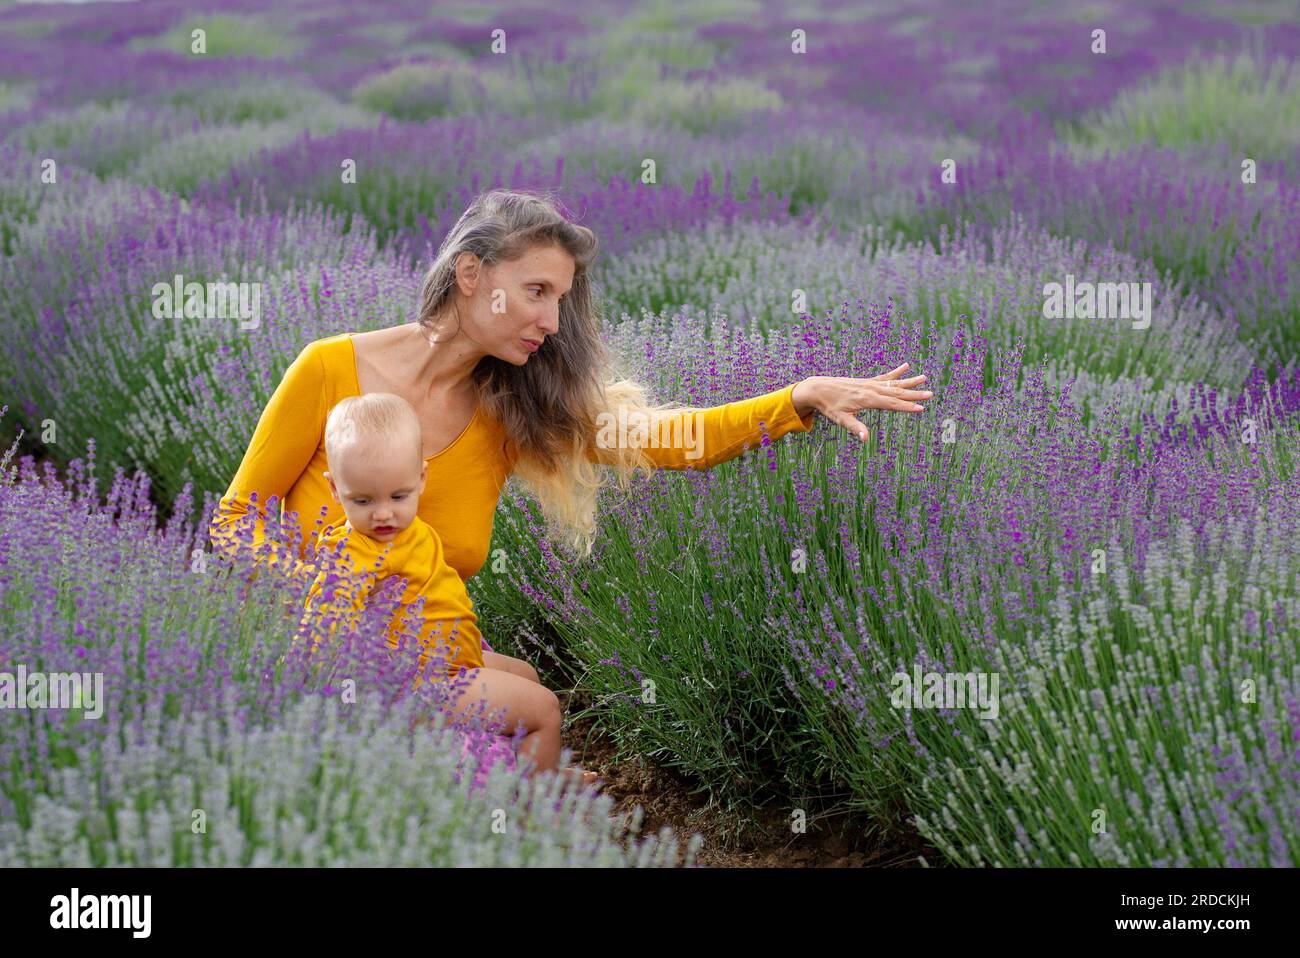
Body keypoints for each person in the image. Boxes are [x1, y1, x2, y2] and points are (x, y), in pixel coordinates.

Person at [209, 187, 931, 780]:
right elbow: (234, 521)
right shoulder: (329, 372)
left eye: (562, 299)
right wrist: (325, 596)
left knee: (522, 676)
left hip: (415, 644)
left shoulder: (511, 409)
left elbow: (673, 442)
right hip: (315, 643)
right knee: (525, 708)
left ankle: (512, 799)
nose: (553, 322)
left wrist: (796, 397)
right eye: (536, 291)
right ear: (471, 275)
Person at [297, 391, 588, 784]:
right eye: (362, 500)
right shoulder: (352, 554)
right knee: (546, 709)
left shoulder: (410, 530)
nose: (383, 513)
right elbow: (322, 622)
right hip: (426, 682)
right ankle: (538, 808)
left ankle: (535, 767)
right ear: (335, 490)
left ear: (421, 478)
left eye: (398, 496)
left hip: (455, 658)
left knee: (527, 675)